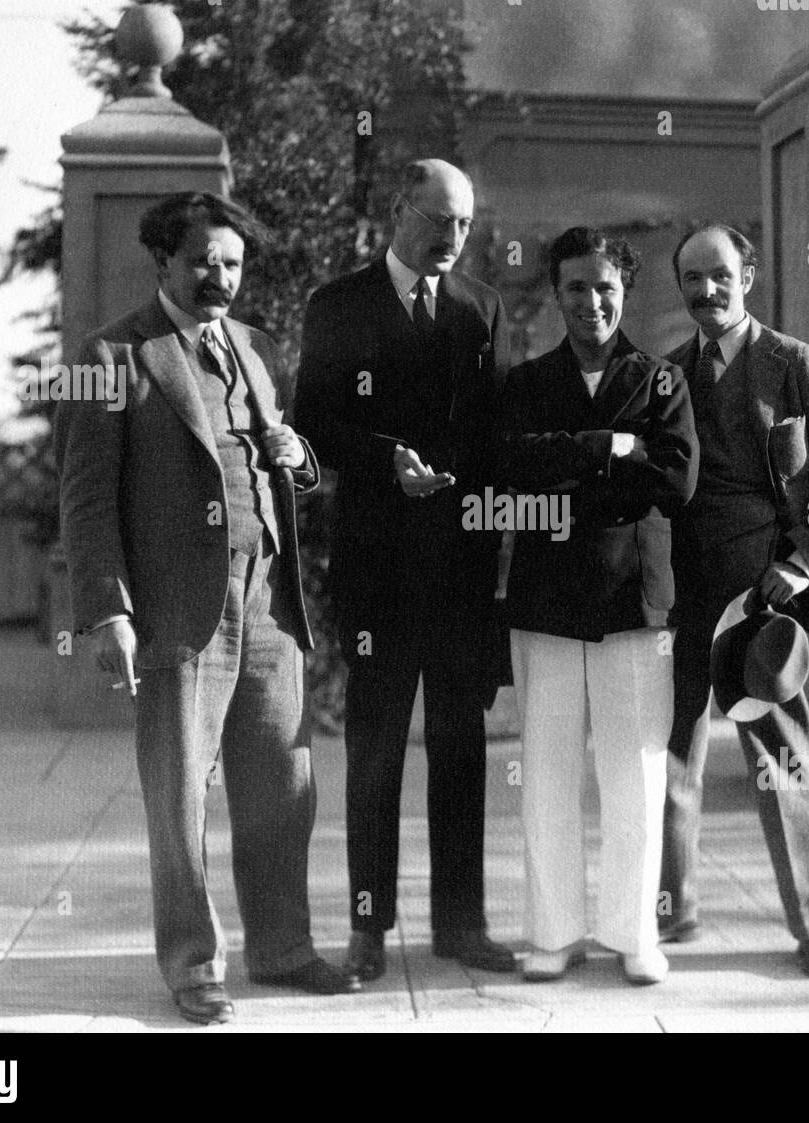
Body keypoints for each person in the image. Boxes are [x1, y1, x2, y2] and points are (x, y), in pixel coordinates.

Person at [55, 192, 358, 1026]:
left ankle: (284, 949)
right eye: (202, 262)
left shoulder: (257, 349)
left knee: (282, 785)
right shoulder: (111, 355)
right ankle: (193, 966)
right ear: (164, 261)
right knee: (179, 795)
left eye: (231, 262)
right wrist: (107, 613)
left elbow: (278, 461)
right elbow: (84, 502)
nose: (219, 277)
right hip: (175, 609)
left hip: (267, 602)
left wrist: (298, 458)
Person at [294, 159, 515, 982]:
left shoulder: (481, 307)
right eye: (439, 221)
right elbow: (310, 426)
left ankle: (462, 922)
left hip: (460, 571)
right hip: (378, 571)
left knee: (461, 750)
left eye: (464, 225)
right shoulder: (340, 306)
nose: (453, 239)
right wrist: (387, 460)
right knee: (376, 751)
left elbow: (492, 440)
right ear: (399, 212)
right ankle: (367, 928)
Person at [660, 222, 809, 978]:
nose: (706, 290)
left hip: (764, 606)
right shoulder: (668, 373)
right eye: (691, 278)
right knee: (673, 755)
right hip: (685, 596)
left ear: (748, 275)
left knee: (784, 762)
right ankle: (669, 912)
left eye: (720, 274)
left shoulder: (792, 364)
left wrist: (805, 564)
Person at [497, 227, 697, 985]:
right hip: (548, 602)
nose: (591, 301)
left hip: (632, 602)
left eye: (605, 286)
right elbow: (515, 466)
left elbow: (675, 481)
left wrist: (585, 461)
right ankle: (552, 933)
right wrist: (605, 449)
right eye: (576, 287)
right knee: (545, 771)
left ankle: (633, 931)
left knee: (635, 776)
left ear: (626, 290)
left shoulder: (661, 382)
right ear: (557, 293)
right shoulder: (527, 382)